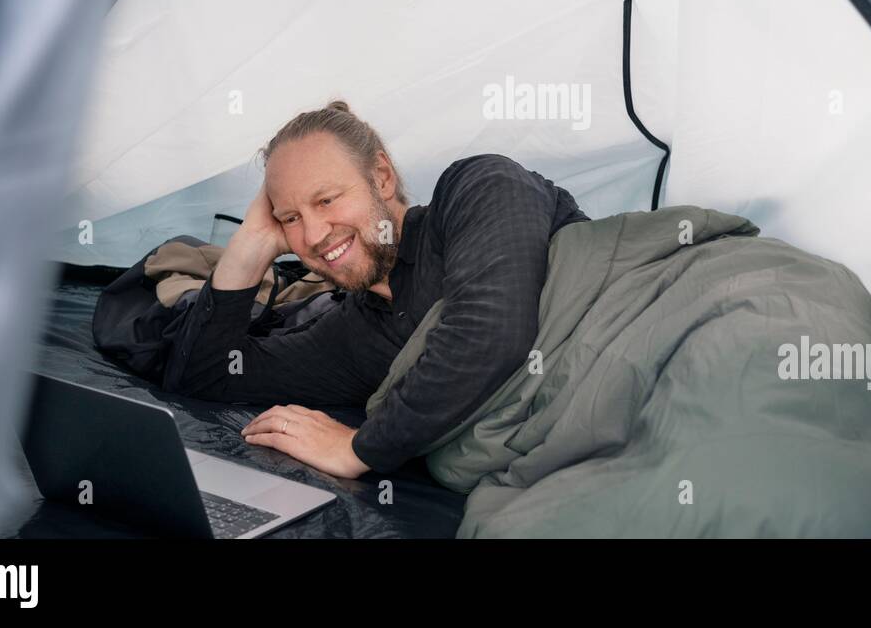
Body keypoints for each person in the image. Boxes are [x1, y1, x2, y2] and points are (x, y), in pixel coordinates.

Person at [160, 100, 589, 479]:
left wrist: (359, 448)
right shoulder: (354, 335)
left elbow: (492, 332)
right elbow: (205, 374)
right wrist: (250, 246)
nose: (312, 234)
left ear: (381, 177)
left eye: (326, 200)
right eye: (290, 218)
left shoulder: (479, 187)